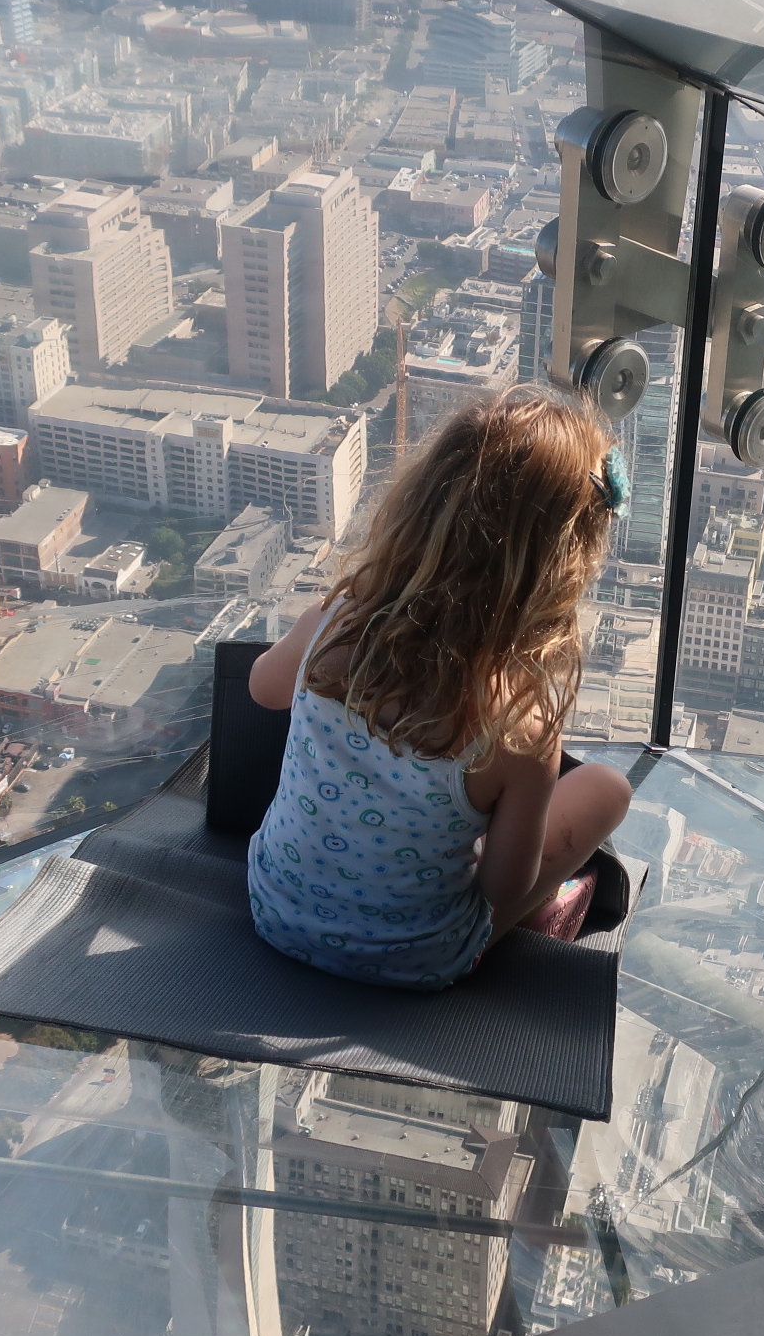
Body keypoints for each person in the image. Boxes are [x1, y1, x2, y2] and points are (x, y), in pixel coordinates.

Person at [244, 388, 635, 990]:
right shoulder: (518, 728)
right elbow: (502, 886)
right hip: (417, 961)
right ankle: (551, 915)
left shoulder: (338, 622)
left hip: (274, 915)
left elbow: (263, 688)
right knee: (607, 788)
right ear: (560, 566)